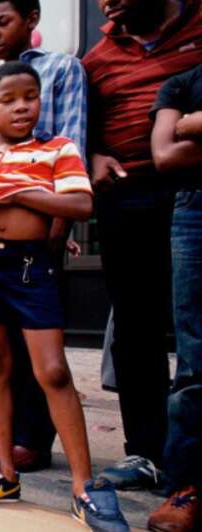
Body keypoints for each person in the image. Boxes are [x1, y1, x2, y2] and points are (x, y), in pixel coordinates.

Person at [0, 62, 129, 531]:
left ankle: (85, 486)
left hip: (32, 265)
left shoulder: (58, 148)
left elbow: (80, 204)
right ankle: (5, 473)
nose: (22, 106)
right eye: (9, 100)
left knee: (52, 370)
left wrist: (17, 191)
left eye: (30, 96)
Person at [82, 0, 202, 491]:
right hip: (127, 194)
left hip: (192, 188)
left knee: (196, 331)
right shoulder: (98, 58)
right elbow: (80, 126)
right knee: (135, 326)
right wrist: (92, 156)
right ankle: (146, 452)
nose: (107, 3)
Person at [0, 0, 90, 472]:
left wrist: (57, 230)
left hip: (41, 230)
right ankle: (9, 440)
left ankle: (37, 441)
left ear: (31, 19)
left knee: (45, 354)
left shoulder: (62, 69)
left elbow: (73, 145)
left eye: (3, 22)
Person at [147, 63, 202, 532]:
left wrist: (193, 122)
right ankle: (187, 484)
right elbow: (165, 153)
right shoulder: (182, 82)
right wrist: (182, 123)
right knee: (195, 356)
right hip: (195, 205)